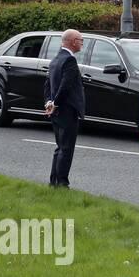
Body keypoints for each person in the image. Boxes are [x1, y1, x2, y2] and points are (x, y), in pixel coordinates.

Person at [43, 29, 85, 188]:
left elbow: (47, 85)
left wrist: (49, 102)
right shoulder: (69, 61)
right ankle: (61, 183)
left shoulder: (55, 59)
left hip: (57, 110)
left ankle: (53, 181)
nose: (82, 43)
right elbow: (65, 86)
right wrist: (55, 103)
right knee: (66, 148)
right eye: (81, 40)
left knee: (60, 147)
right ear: (73, 41)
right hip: (67, 110)